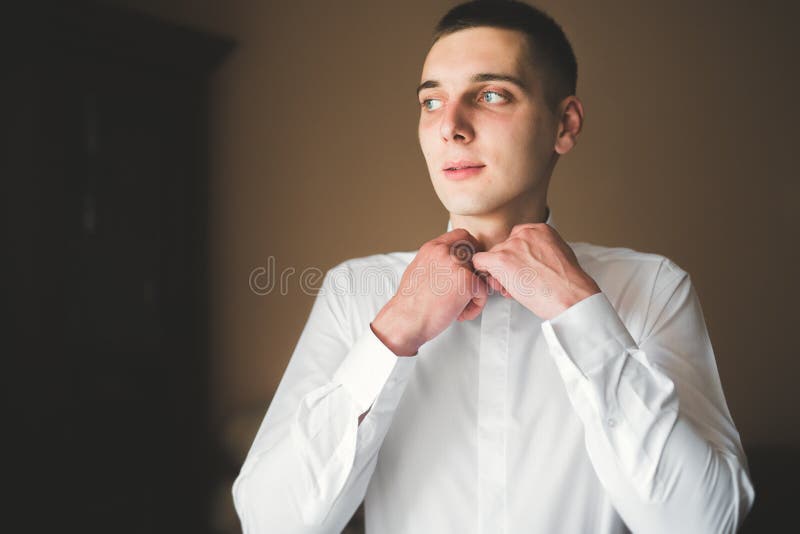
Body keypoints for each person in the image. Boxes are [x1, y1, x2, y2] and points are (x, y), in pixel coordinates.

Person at [232, 1, 755, 532]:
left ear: (565, 124)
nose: (451, 127)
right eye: (431, 101)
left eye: (490, 95)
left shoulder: (652, 288)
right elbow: (271, 522)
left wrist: (581, 312)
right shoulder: (355, 293)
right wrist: (392, 334)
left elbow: (705, 523)